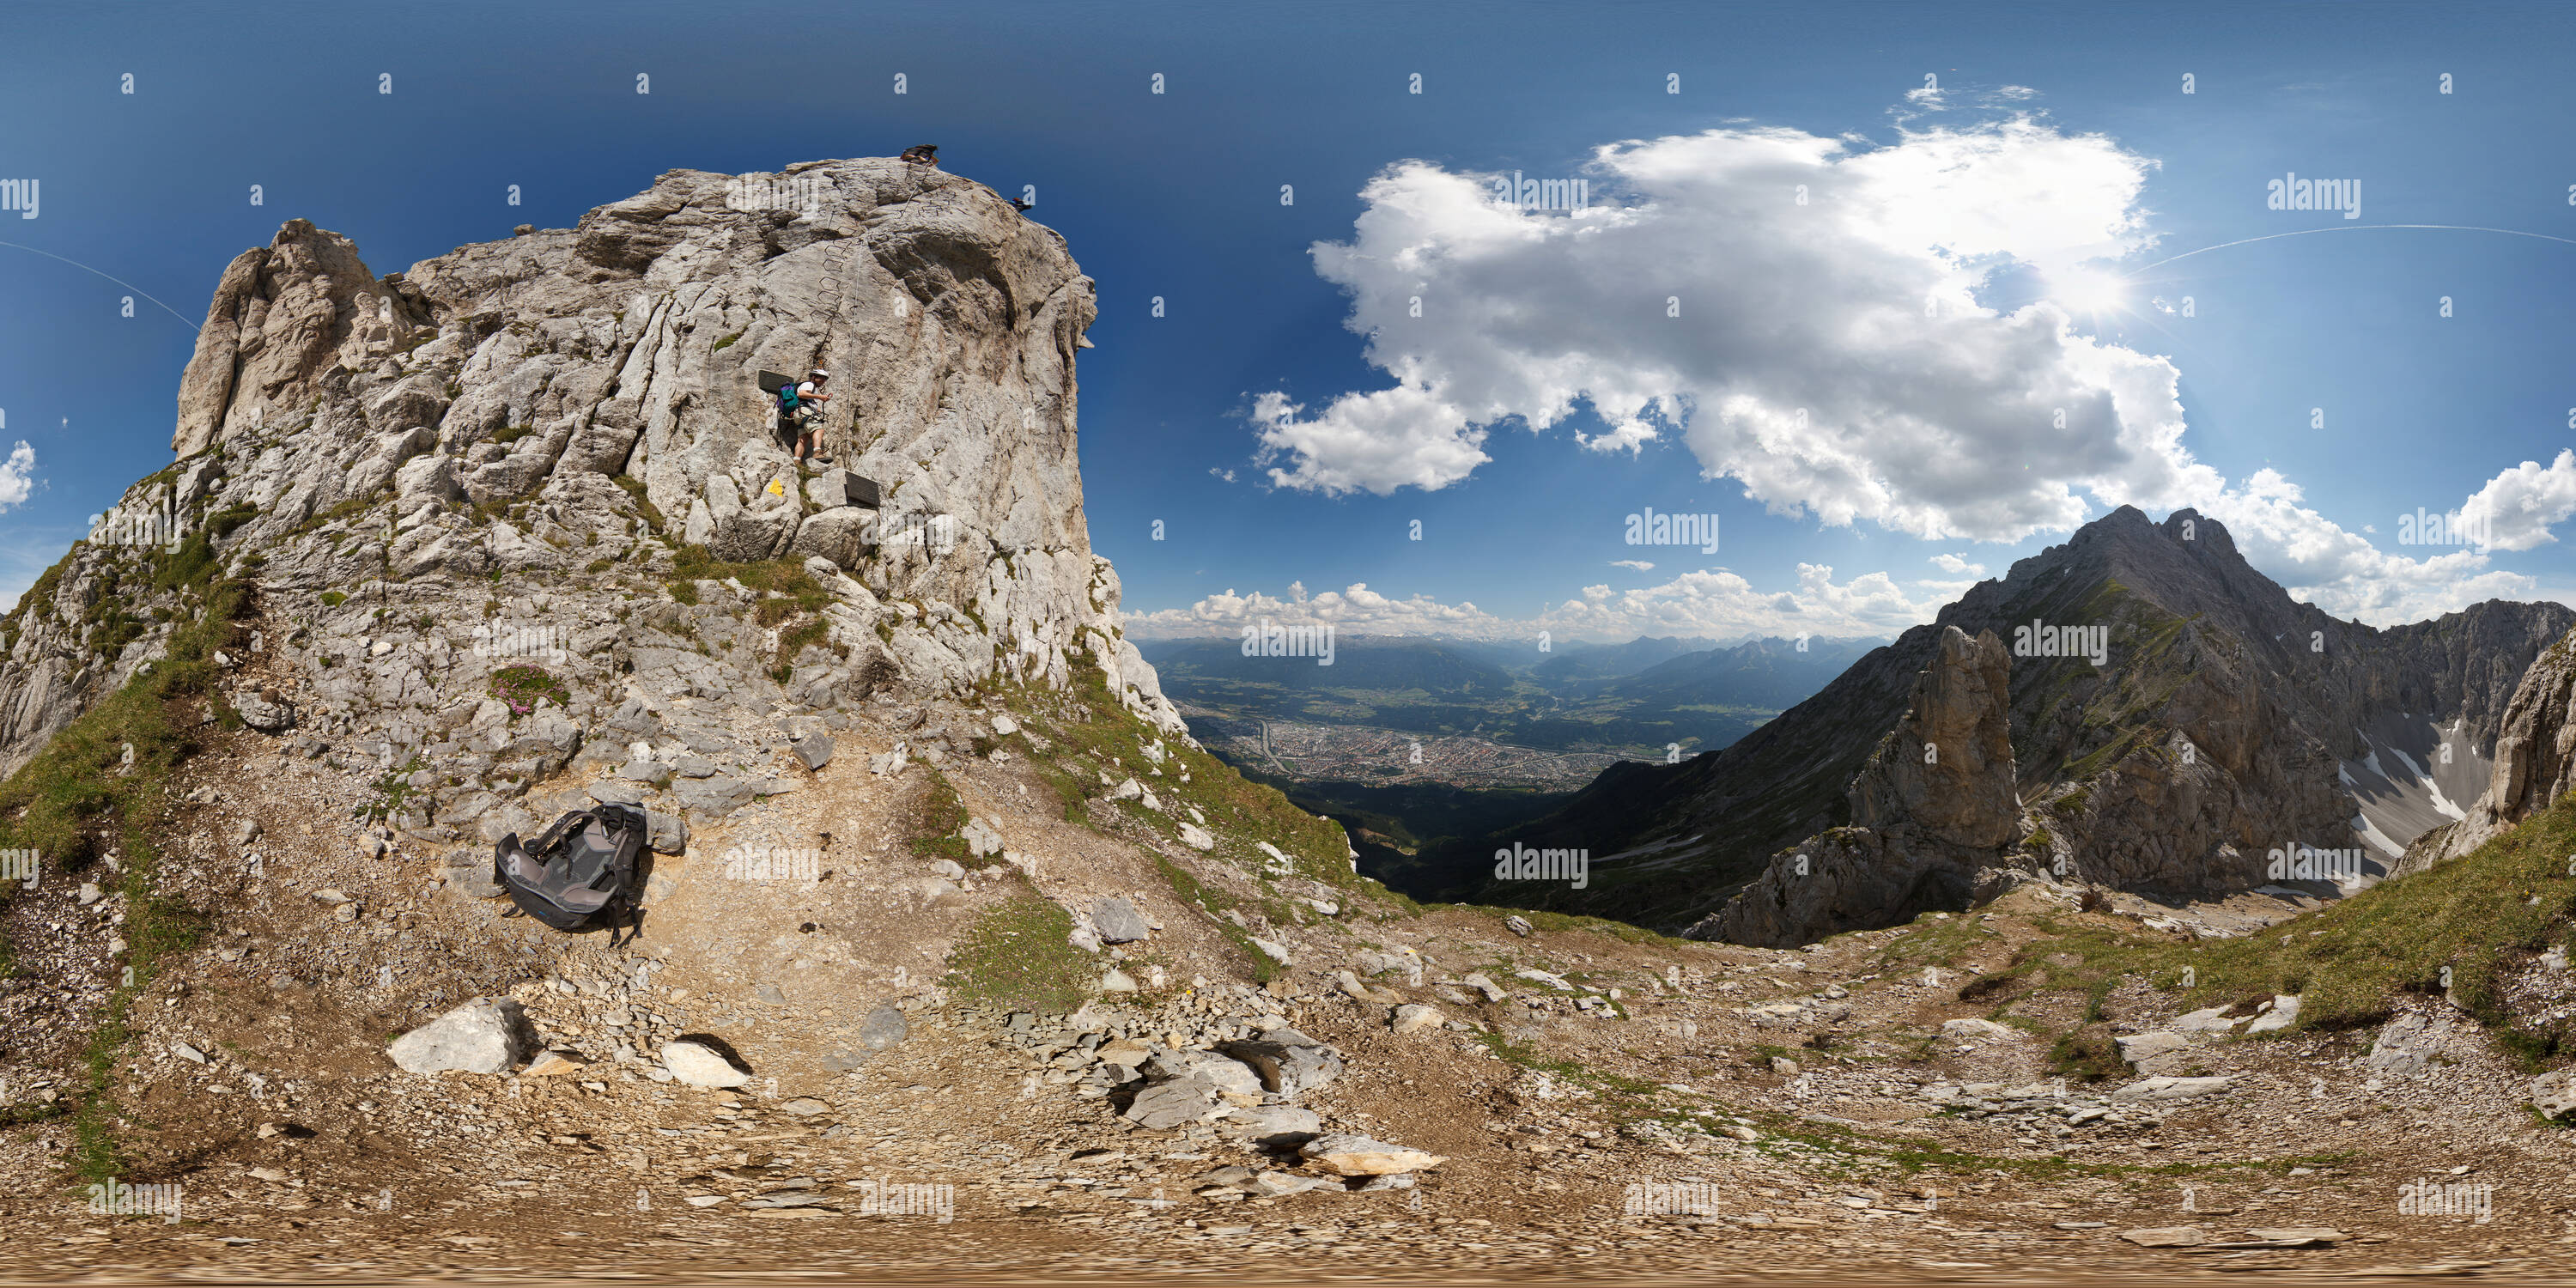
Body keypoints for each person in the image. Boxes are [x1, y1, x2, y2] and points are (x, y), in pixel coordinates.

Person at [786, 368, 833, 465]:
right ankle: (817, 453)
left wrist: (818, 410)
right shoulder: (809, 384)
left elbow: (806, 400)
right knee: (819, 430)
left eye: (825, 379)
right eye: (822, 378)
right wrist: (820, 397)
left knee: (803, 438)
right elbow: (801, 394)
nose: (823, 381)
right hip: (804, 411)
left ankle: (797, 460)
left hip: (799, 414)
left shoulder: (811, 387)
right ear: (814, 377)